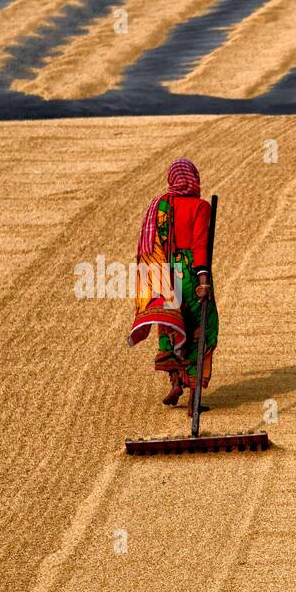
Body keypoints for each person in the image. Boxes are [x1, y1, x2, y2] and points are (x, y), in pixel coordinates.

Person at [128, 158, 217, 413]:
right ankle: (193, 396)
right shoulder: (200, 206)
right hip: (189, 272)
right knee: (202, 328)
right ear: (194, 179)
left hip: (164, 273)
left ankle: (175, 382)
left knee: (171, 324)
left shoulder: (161, 205)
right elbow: (200, 245)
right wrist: (203, 281)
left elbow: (152, 244)